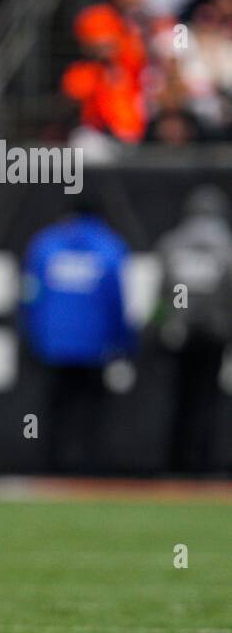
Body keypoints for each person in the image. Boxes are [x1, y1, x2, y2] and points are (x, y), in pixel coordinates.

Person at [20, 199, 136, 474]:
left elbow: (30, 296)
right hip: (95, 345)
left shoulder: (45, 244)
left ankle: (53, 464)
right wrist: (123, 343)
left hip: (54, 343)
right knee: (91, 410)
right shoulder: (110, 246)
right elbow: (116, 301)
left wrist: (32, 335)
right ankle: (89, 468)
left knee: (57, 407)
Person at [153, 186, 232, 473]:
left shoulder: (173, 243)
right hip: (215, 334)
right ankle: (204, 463)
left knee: (180, 399)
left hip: (180, 333)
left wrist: (168, 323)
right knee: (208, 400)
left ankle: (177, 463)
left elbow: (163, 294)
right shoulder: (226, 245)